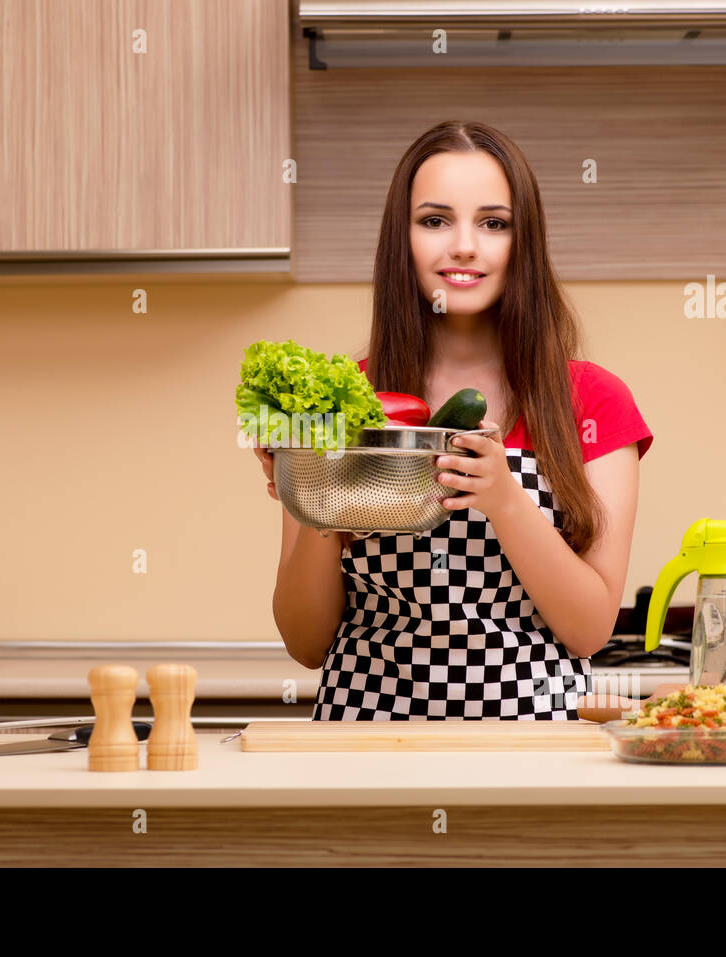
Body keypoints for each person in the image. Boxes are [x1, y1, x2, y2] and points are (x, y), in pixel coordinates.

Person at [253, 120, 653, 720]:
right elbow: (306, 644)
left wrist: (504, 499)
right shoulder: (341, 400)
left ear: (524, 242)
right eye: (435, 220)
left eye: (493, 223)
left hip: (538, 747)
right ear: (402, 239)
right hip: (364, 738)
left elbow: (590, 630)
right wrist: (316, 496)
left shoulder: (593, 403)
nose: (463, 246)